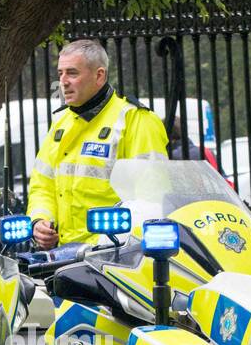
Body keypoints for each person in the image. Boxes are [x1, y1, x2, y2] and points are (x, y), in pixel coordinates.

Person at [27, 39, 168, 250]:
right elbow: (42, 186)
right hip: (64, 253)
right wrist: (39, 221)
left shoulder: (134, 120)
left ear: (99, 75)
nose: (63, 82)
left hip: (116, 253)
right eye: (60, 73)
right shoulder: (60, 122)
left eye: (72, 73)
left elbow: (151, 197)